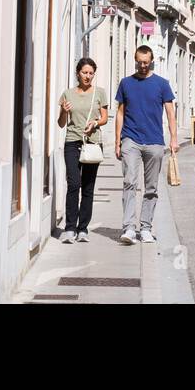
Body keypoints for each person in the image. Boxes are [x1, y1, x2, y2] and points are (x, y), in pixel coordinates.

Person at [114, 45, 178, 244]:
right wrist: (117, 141)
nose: (142, 65)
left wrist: (174, 138)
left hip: (155, 141)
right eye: (139, 62)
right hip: (130, 139)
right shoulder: (126, 83)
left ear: (151, 61)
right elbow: (120, 113)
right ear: (135, 60)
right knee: (129, 183)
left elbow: (170, 113)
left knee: (151, 187)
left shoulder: (162, 84)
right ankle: (129, 228)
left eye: (146, 62)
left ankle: (146, 228)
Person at [56, 57, 107, 243]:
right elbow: (61, 124)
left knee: (88, 187)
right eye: (84, 72)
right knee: (73, 184)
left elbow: (104, 118)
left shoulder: (99, 93)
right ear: (78, 73)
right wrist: (63, 111)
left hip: (92, 143)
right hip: (72, 142)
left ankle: (83, 228)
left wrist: (95, 123)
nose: (87, 76)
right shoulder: (67, 94)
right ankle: (70, 229)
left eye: (91, 73)